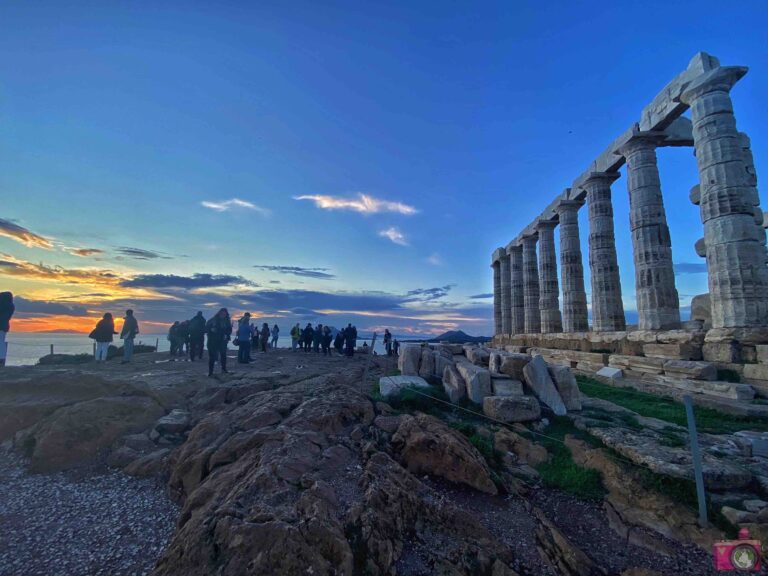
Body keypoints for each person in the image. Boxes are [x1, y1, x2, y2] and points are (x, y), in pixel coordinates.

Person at [206, 308, 231, 376]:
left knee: (223, 355)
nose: (223, 315)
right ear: (219, 313)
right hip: (212, 341)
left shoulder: (227, 321)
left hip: (222, 341)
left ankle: (224, 369)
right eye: (222, 313)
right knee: (212, 357)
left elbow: (229, 330)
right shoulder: (213, 320)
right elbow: (206, 328)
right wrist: (211, 330)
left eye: (224, 314)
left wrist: (227, 335)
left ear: (226, 314)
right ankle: (210, 372)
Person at [0, 292, 15, 367]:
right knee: (1, 342)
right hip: (4, 326)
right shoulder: (10, 306)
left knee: (1, 342)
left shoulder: (3, 305)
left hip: (1, 325)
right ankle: (2, 359)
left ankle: (1, 359)